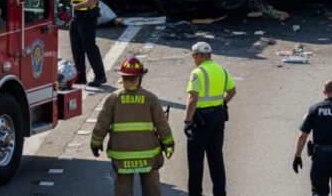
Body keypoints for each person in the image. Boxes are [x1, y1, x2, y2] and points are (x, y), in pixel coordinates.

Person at [90, 57, 175, 196]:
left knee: (123, 188)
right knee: (151, 186)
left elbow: (102, 124)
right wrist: (169, 144)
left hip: (122, 155)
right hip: (148, 154)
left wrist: (95, 143)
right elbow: (162, 124)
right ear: (139, 77)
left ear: (122, 77)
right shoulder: (150, 98)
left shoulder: (113, 98)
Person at [185, 41, 236, 196]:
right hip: (218, 117)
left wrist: (187, 121)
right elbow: (232, 91)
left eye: (194, 55)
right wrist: (221, 104)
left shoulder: (198, 73)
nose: (193, 58)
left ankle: (195, 193)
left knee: (195, 159)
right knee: (216, 157)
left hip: (201, 119)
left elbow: (193, 98)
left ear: (200, 55)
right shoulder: (222, 70)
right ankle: (220, 193)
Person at [69, 0, 107, 87]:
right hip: (76, 17)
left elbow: (93, 0)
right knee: (76, 48)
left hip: (87, 18)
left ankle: (100, 76)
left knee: (90, 47)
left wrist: (76, 6)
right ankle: (80, 77)